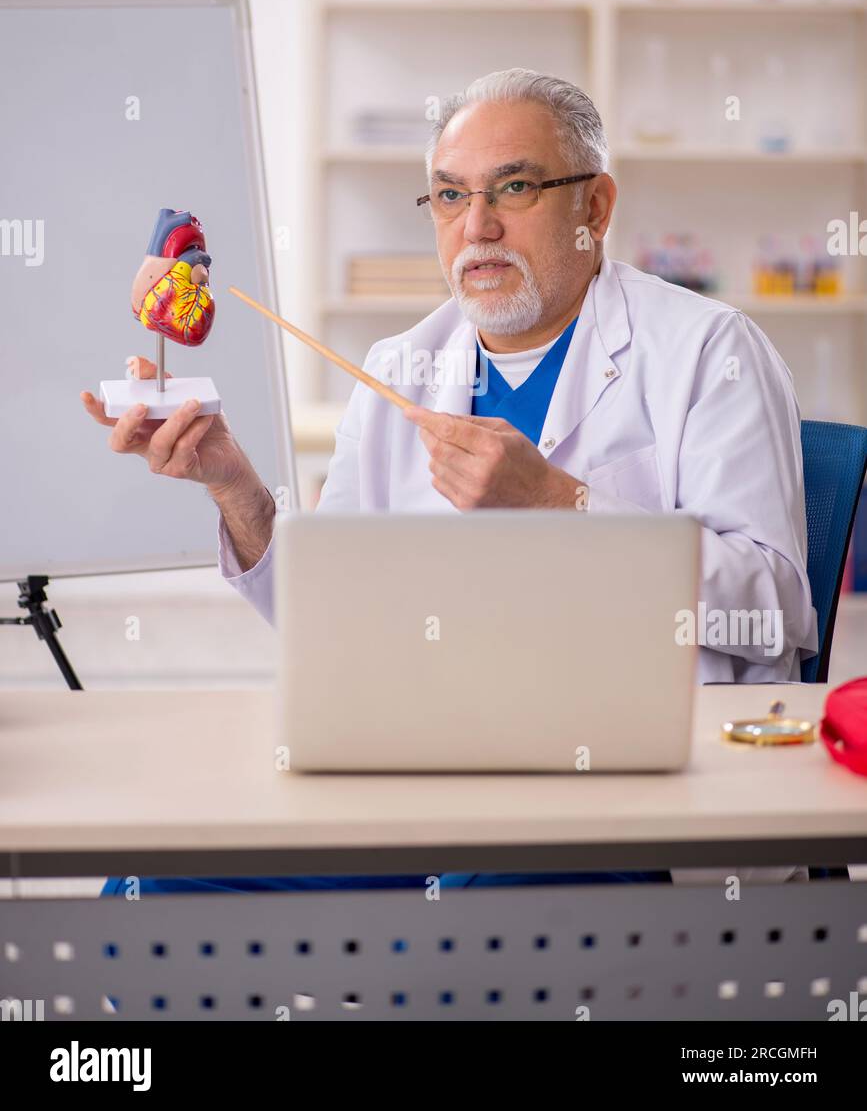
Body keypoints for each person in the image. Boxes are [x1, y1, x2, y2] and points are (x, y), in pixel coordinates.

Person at [82, 68, 817, 893]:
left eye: (515, 186)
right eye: (447, 195)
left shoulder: (708, 352)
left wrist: (556, 503)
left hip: (623, 802)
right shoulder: (400, 368)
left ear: (595, 209)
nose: (477, 227)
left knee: (477, 921)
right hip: (426, 786)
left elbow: (772, 612)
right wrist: (235, 489)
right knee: (146, 895)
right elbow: (339, 621)